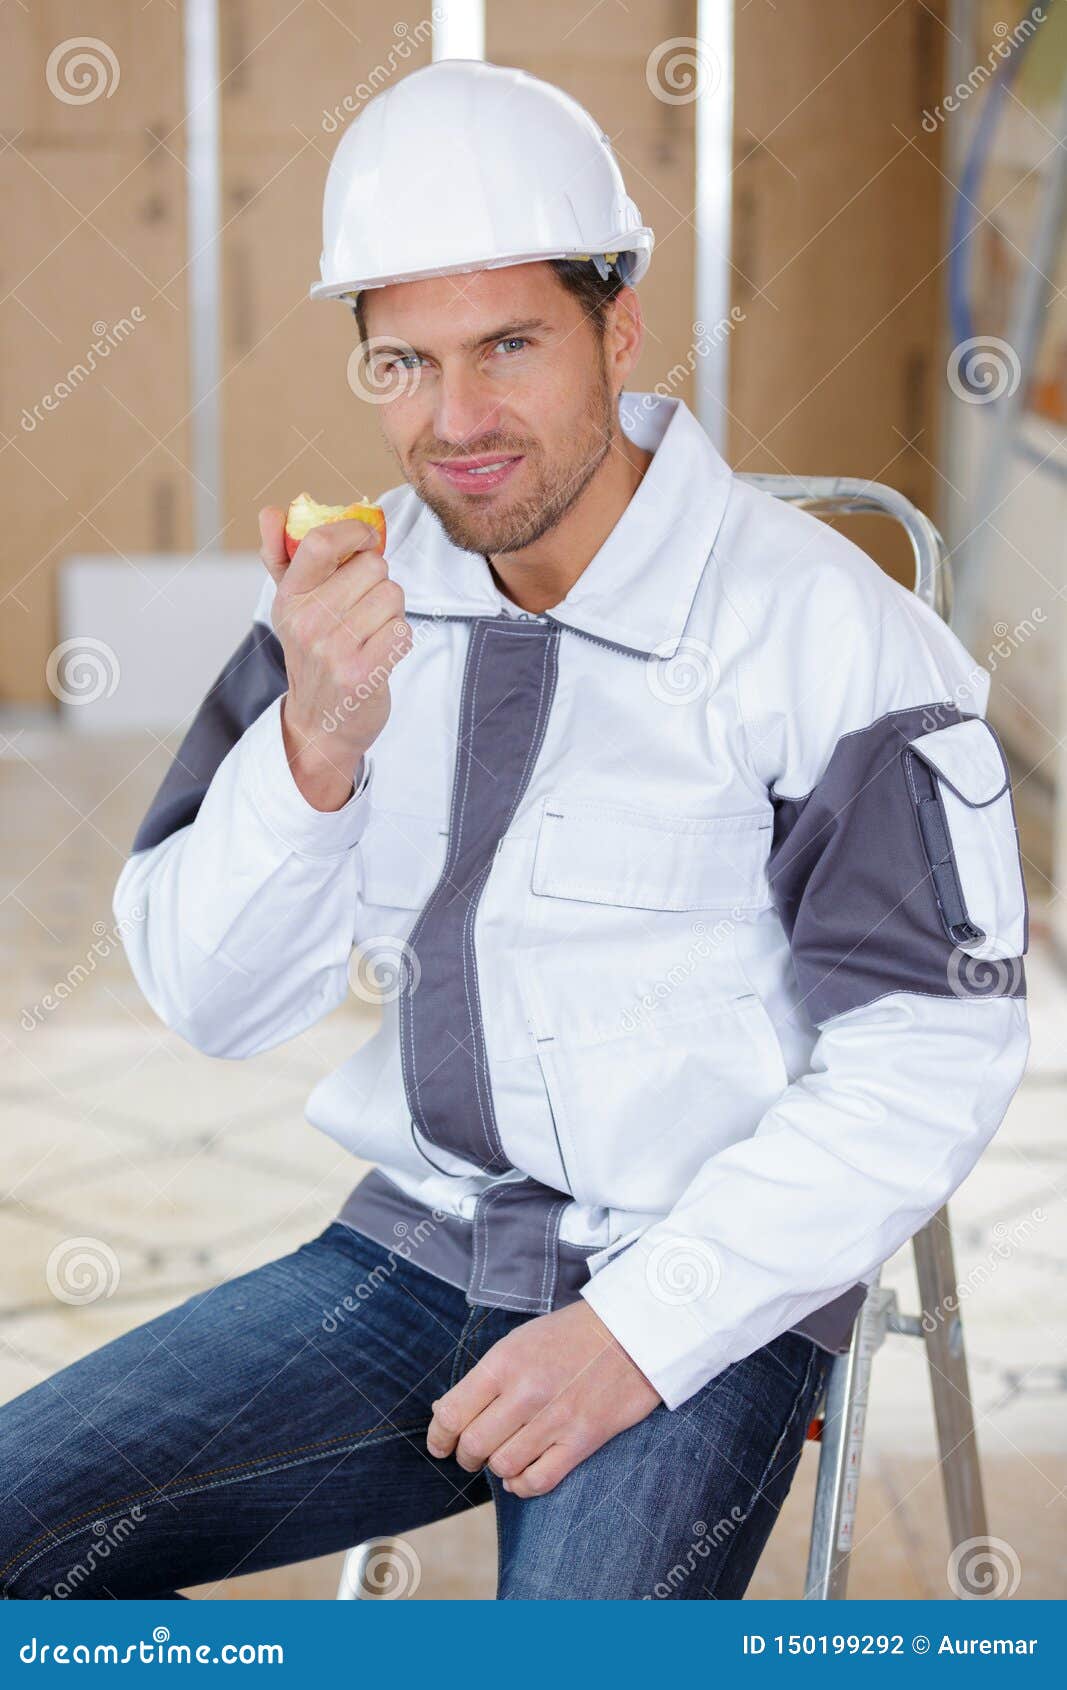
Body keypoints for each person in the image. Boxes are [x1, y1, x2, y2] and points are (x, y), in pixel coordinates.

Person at [0, 60, 1029, 1602]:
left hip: (700, 1288)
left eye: (508, 347)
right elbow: (213, 999)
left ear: (619, 324)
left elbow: (931, 1049)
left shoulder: (821, 635)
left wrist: (636, 1334)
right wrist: (316, 746)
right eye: (404, 364)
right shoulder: (348, 612)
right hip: (412, 1258)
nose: (456, 420)